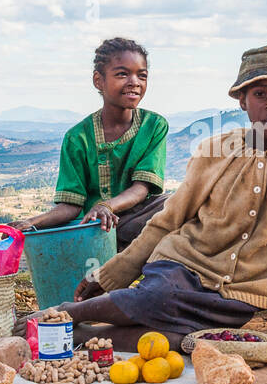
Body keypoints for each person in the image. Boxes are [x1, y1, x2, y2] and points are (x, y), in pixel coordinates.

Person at [18, 45, 267, 351]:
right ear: (242, 101)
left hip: (241, 294)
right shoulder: (215, 148)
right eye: (260, 94)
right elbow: (169, 218)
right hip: (183, 266)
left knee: (183, 339)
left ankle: (84, 336)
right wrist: (114, 274)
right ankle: (63, 314)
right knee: (158, 295)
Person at [10, 38, 168, 250]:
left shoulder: (154, 126)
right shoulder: (77, 138)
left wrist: (105, 206)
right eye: (122, 74)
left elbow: (141, 189)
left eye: (142, 75)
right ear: (98, 81)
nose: (134, 82)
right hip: (94, 228)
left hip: (138, 222)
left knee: (175, 202)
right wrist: (31, 223)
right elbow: (71, 205)